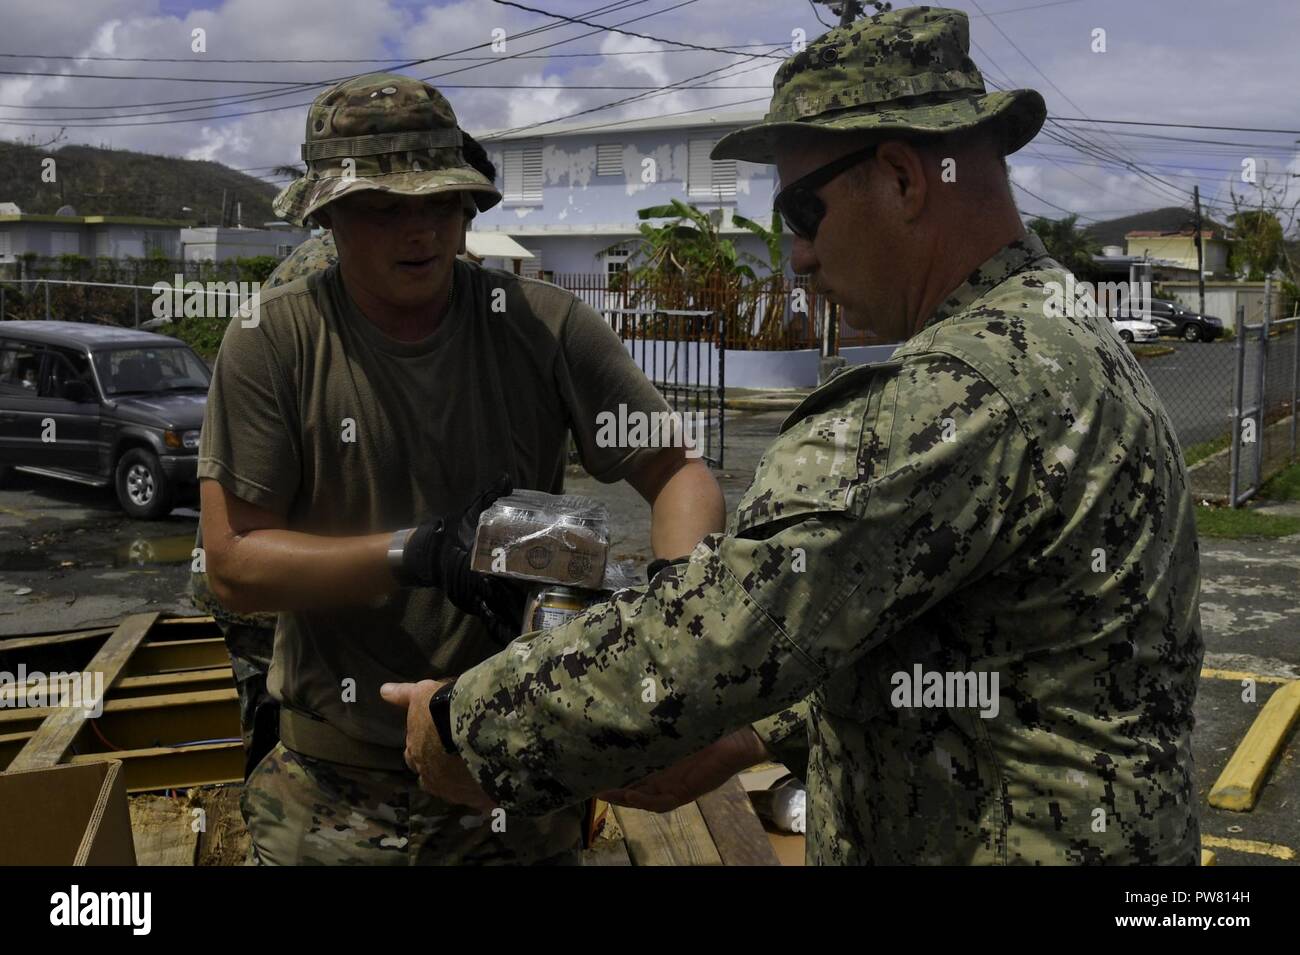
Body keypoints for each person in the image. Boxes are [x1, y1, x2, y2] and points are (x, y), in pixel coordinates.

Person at [384, 6, 1204, 866]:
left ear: (901, 177)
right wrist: (751, 733)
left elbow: (711, 633)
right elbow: (970, 654)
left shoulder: (961, 389)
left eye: (803, 214)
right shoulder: (1066, 335)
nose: (798, 257)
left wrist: (463, 728)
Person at [198, 72, 726, 865]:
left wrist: (671, 606)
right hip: (335, 793)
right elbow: (234, 561)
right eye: (384, 208)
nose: (420, 231)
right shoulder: (275, 340)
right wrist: (420, 551)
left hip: (511, 783)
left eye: (440, 203)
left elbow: (681, 472)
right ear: (329, 215)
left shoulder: (542, 326)